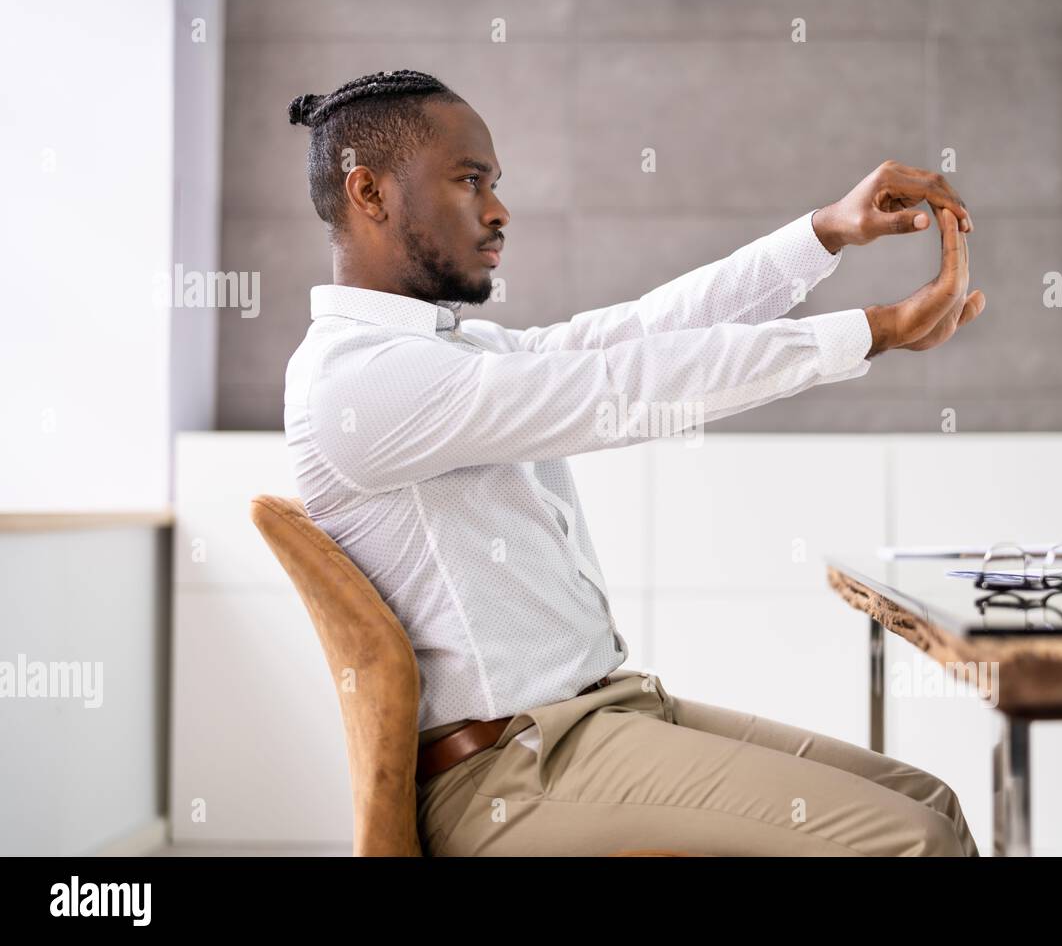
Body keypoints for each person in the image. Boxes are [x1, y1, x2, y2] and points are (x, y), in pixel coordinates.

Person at [284, 69, 985, 856]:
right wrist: (875, 329)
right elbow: (618, 386)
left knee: (930, 802)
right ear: (370, 192)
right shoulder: (356, 381)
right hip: (509, 778)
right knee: (915, 839)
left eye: (494, 183)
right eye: (469, 180)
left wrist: (823, 233)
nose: (498, 208)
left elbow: (641, 332)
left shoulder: (455, 350)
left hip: (597, 720)